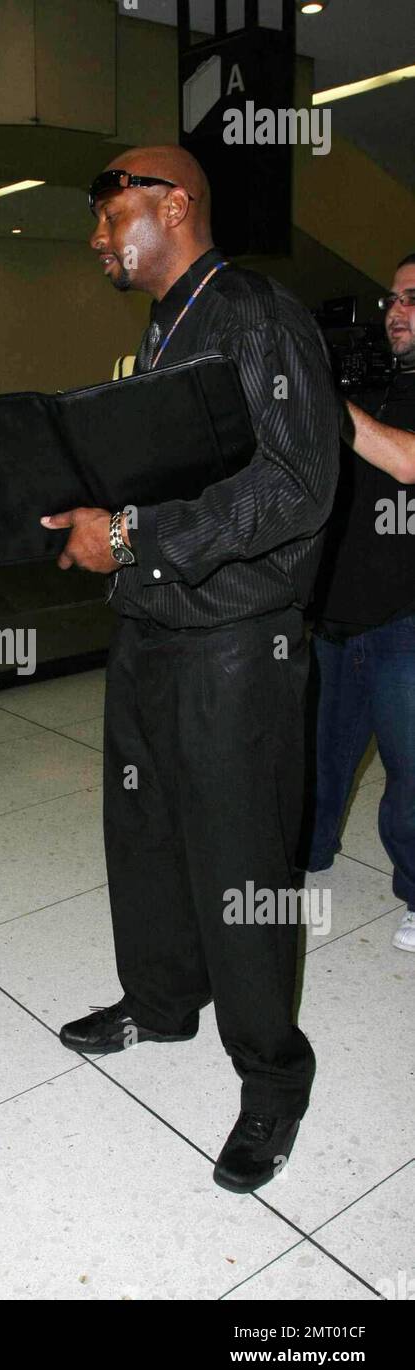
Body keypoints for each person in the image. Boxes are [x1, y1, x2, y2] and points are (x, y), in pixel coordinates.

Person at [41, 145, 339, 1194]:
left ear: (173, 202)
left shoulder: (255, 316)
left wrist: (125, 536)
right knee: (146, 833)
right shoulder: (164, 330)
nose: (93, 238)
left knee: (240, 863)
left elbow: (297, 486)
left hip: (233, 646)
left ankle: (270, 1082)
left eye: (105, 208)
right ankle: (161, 1002)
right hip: (153, 631)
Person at [302, 254, 415, 952]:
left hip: (407, 618)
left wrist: (323, 399)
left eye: (414, 299)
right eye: (395, 299)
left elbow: (407, 463)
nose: (396, 311)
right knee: (319, 756)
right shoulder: (376, 386)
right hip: (336, 614)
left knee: (411, 772)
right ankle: (307, 855)